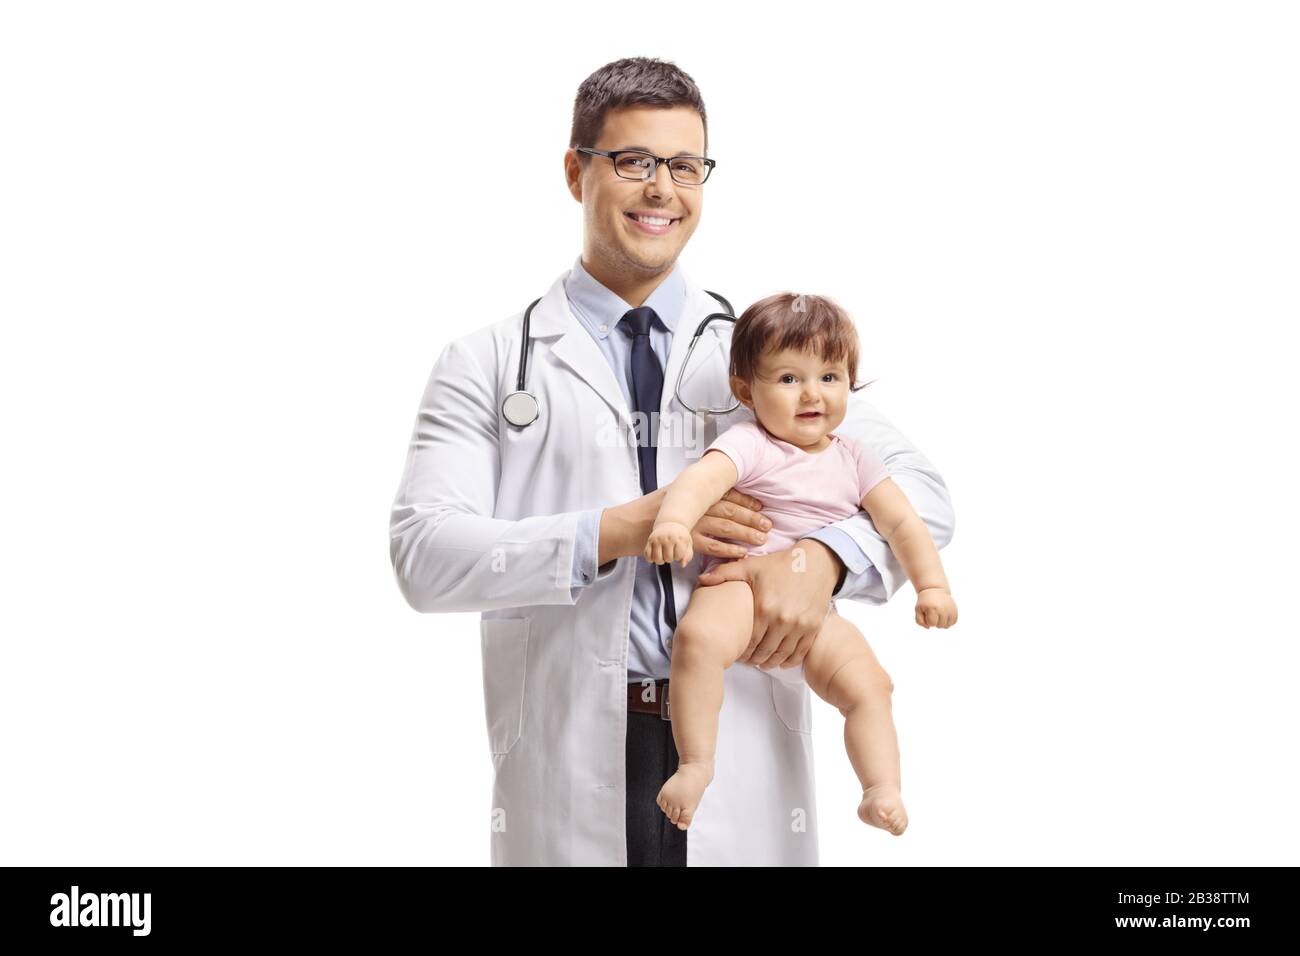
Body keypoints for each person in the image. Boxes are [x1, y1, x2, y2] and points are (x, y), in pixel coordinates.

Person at [388, 56, 956, 866]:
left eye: (685, 166)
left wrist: (819, 560)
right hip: (570, 750)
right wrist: (623, 528)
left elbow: (922, 497)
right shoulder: (486, 363)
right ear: (575, 172)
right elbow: (423, 555)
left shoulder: (765, 356)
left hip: (743, 734)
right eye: (634, 162)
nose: (663, 189)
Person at [643, 292, 959, 836]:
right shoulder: (748, 442)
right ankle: (696, 765)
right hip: (736, 584)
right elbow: (698, 483)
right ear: (746, 391)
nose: (812, 394)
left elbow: (903, 523)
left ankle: (879, 788)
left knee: (870, 685)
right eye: (789, 379)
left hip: (816, 607)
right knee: (698, 642)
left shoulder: (856, 456)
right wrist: (672, 523)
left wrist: (932, 586)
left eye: (830, 377)